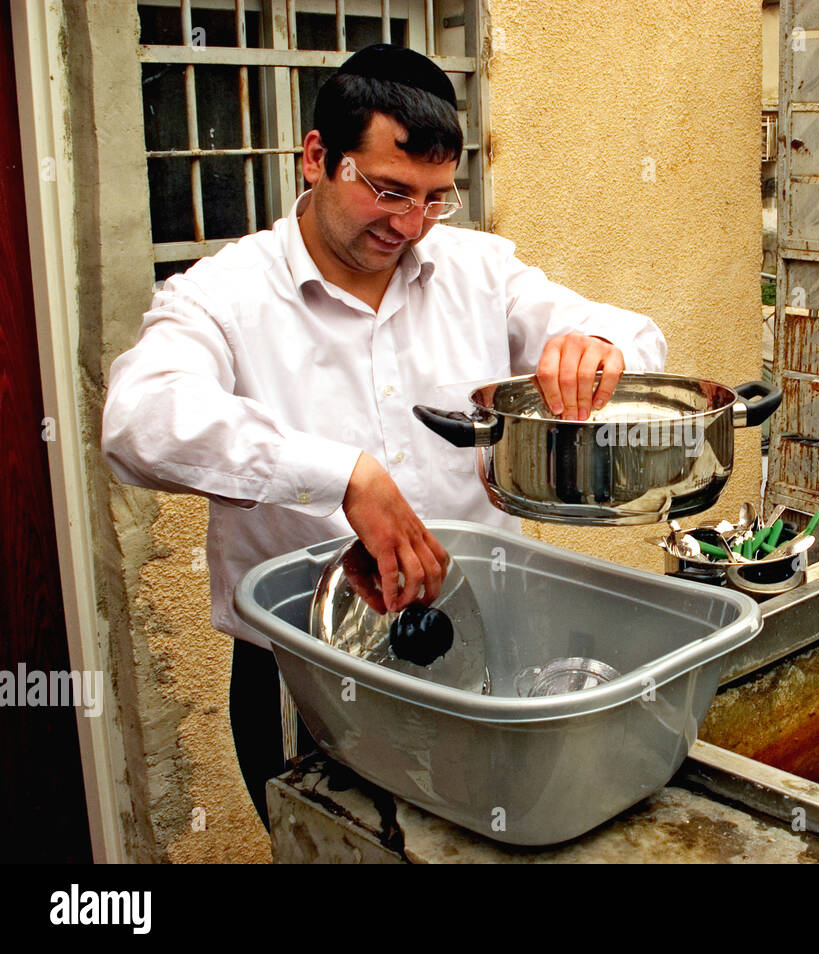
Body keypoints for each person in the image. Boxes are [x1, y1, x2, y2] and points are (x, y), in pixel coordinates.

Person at [101, 44, 668, 827]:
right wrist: (337, 475)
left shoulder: (478, 271)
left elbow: (631, 335)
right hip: (301, 672)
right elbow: (137, 420)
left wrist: (601, 352)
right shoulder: (222, 297)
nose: (410, 224)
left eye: (436, 199)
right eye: (388, 191)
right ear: (316, 158)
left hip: (485, 637)